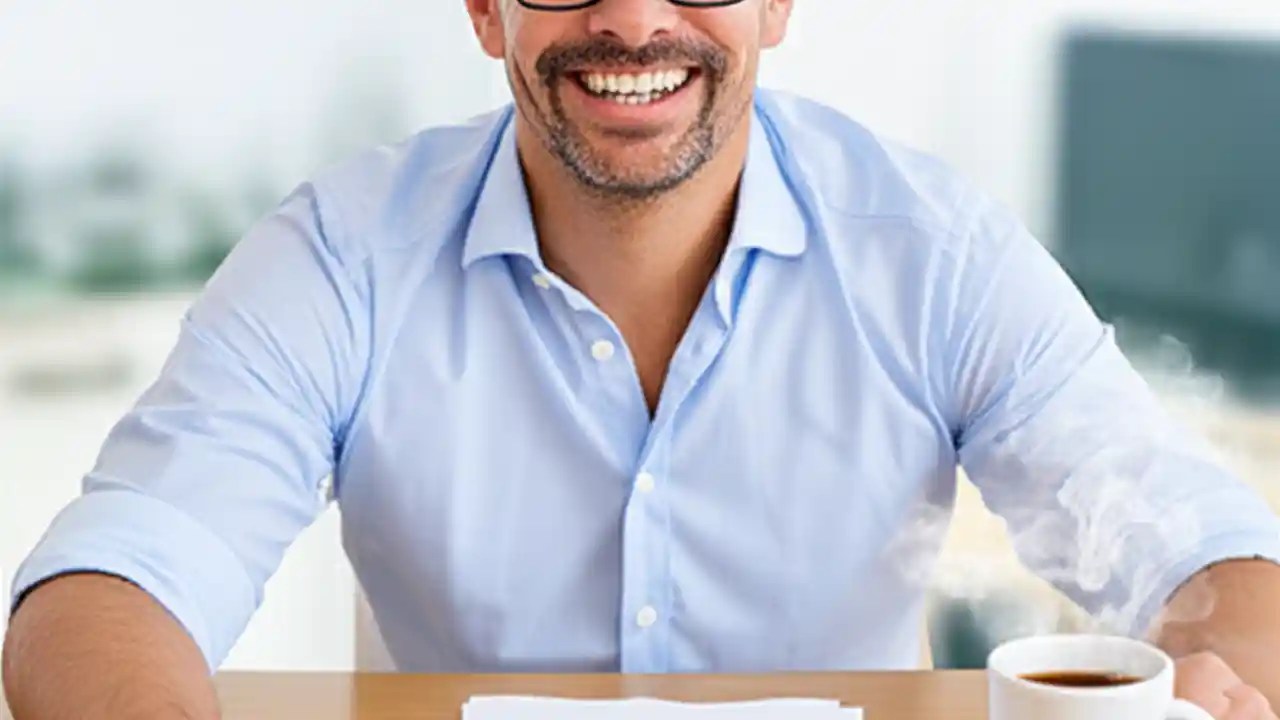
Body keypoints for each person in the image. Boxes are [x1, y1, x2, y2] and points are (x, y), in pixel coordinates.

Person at [5, 1, 1280, 717]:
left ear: (776, 6)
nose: (627, 17)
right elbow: (116, 575)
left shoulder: (931, 254)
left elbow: (1192, 538)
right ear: (484, 6)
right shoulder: (342, 254)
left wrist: (1233, 675)